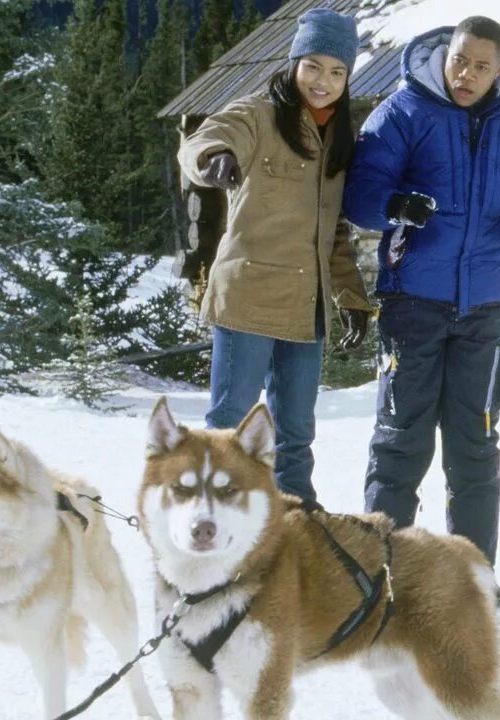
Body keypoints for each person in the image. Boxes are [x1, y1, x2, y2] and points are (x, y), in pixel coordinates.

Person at [344, 16, 500, 564]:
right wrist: (396, 206)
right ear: (443, 55)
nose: (466, 74)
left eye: (480, 66)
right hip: (413, 304)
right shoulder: (402, 113)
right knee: (401, 441)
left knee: (474, 448)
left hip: (485, 309)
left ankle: (472, 575)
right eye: (459, 60)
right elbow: (361, 193)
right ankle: (383, 571)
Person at [179, 8, 372, 508]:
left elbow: (333, 233)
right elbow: (202, 139)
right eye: (313, 67)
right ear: (294, 64)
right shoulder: (258, 114)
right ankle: (213, 521)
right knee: (228, 427)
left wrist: (352, 298)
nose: (323, 81)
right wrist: (212, 158)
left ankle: (297, 522)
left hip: (305, 310)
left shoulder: (338, 137)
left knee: (296, 436)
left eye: (337, 71)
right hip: (249, 298)